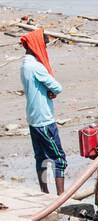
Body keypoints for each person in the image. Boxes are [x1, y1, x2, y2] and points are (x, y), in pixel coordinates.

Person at [18, 29, 64, 196]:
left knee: (41, 158)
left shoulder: (24, 65)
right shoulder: (36, 67)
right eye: (44, 45)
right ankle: (61, 196)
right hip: (44, 119)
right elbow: (58, 87)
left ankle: (44, 192)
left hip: (33, 118)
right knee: (59, 159)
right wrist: (51, 90)